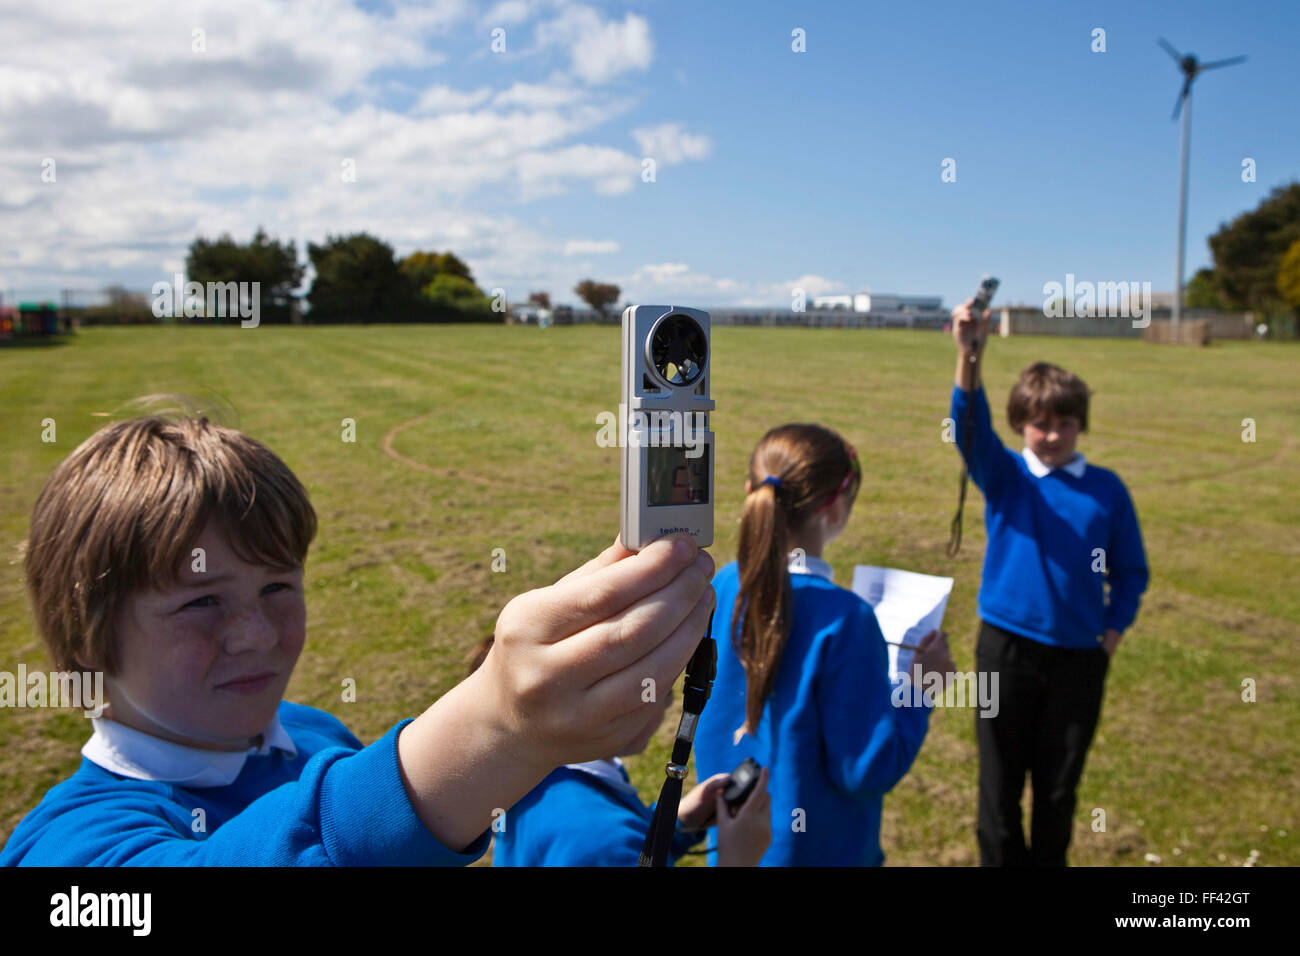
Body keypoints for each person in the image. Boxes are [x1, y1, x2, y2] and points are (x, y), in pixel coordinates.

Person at [1, 411, 715, 865]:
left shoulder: (313, 737)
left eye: (277, 588)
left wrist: (672, 826)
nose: (253, 632)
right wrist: (498, 727)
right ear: (87, 635)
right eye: (201, 603)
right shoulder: (68, 851)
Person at [693, 424, 955, 866]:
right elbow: (866, 767)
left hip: (737, 845)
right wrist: (920, 690)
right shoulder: (847, 620)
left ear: (749, 491)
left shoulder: (724, 585)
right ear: (836, 507)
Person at [948, 300, 1149, 866]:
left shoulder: (1106, 490)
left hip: (1079, 660)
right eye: (1040, 423)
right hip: (1004, 651)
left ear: (1080, 423)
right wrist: (970, 352)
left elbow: (1131, 571)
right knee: (999, 788)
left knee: (1058, 791)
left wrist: (1111, 632)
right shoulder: (1007, 476)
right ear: (1021, 425)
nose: (1053, 435)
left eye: (1065, 423)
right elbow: (969, 425)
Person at [463, 637, 771, 866]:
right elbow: (605, 847)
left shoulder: (535, 772)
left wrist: (676, 823)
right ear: (620, 703)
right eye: (663, 696)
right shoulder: (597, 838)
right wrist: (737, 859)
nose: (666, 709)